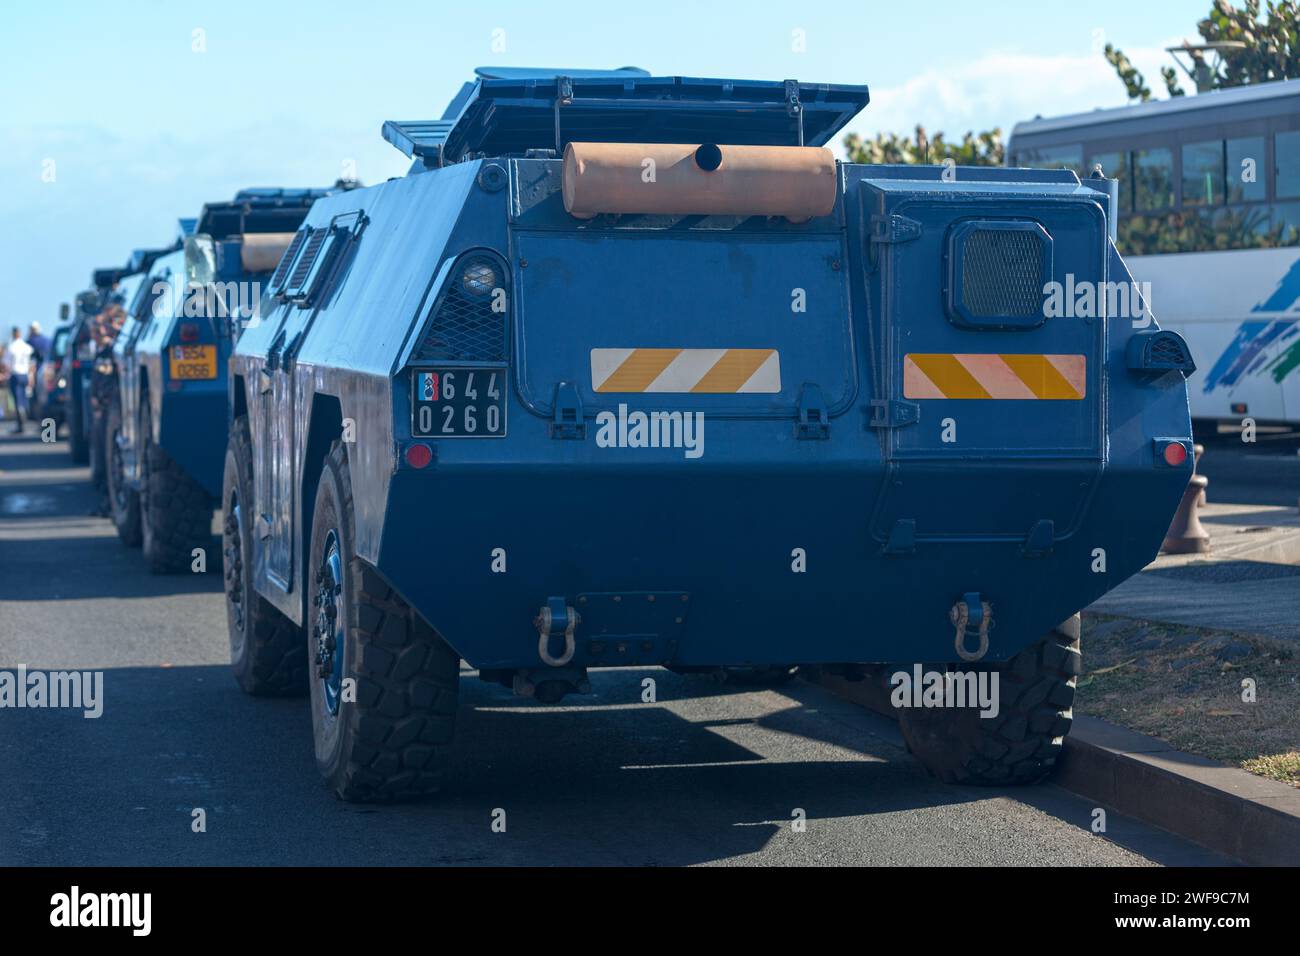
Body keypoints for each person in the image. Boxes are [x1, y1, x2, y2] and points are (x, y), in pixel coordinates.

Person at [3, 327, 35, 433]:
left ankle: (21, 424)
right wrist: (31, 376)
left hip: (15, 375)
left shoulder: (11, 347)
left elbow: (6, 364)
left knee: (17, 400)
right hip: (25, 375)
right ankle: (24, 419)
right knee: (24, 397)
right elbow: (32, 363)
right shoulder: (26, 347)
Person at [28, 321, 51, 415]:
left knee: (37, 394)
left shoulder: (31, 341)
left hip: (39, 370)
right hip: (48, 369)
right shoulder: (47, 340)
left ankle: (40, 414)